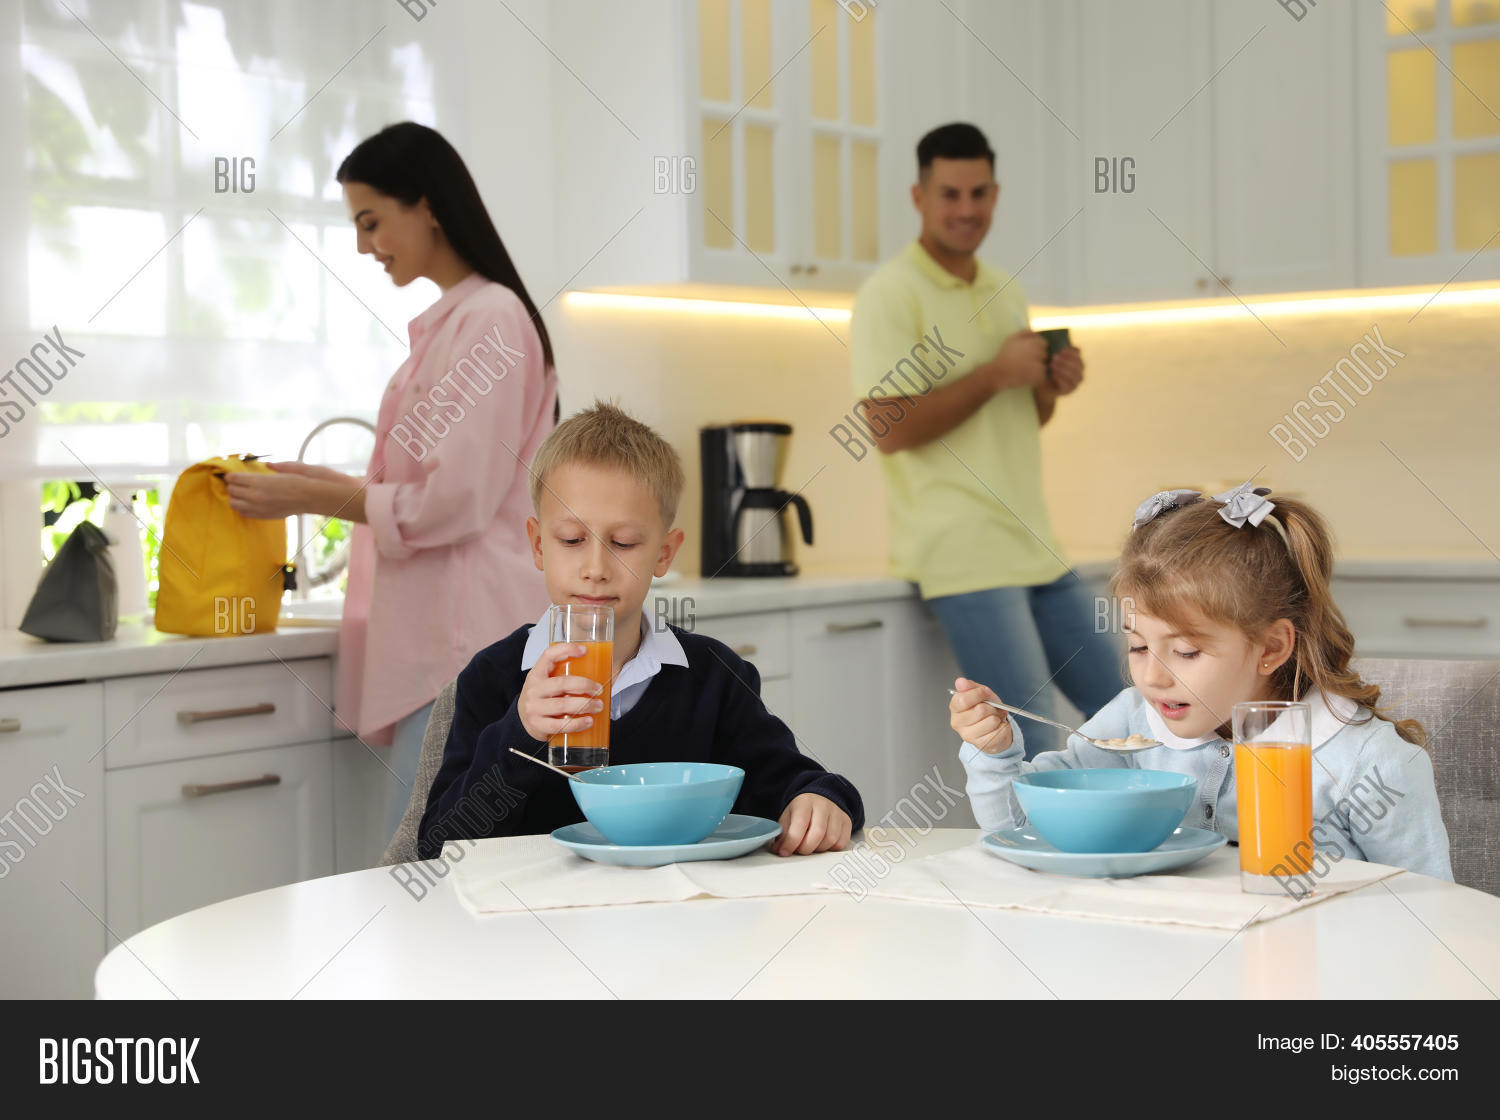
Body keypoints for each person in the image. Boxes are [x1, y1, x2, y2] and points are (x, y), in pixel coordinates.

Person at [226, 122, 556, 844]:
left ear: (428, 206)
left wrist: (316, 499)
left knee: (426, 866)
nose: (361, 245)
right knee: (428, 867)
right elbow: (440, 484)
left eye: (371, 221)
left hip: (467, 644)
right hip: (447, 645)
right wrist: (328, 486)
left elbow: (457, 501)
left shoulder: (492, 321)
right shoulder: (459, 322)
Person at [416, 402, 863, 859]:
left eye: (624, 543)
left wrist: (822, 799)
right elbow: (438, 845)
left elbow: (791, 781)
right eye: (571, 540)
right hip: (538, 923)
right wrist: (521, 731)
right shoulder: (493, 679)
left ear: (664, 553)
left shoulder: (714, 677)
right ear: (537, 545)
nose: (595, 568)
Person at [948, 482, 1453, 880]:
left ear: (1272, 648)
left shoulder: (1366, 762)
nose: (1151, 677)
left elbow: (1430, 916)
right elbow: (1024, 829)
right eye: (1138, 646)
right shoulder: (1132, 722)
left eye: (1186, 652)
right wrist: (995, 755)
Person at [850, 122, 1117, 759]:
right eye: (950, 194)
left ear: (995, 194)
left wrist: (1051, 385)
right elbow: (888, 430)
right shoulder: (889, 294)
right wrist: (995, 373)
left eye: (979, 193)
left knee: (1124, 710)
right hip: (962, 553)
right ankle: (1037, 857)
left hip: (1034, 542)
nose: (966, 209)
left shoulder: (1005, 288)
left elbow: (1022, 418)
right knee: (1030, 738)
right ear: (919, 197)